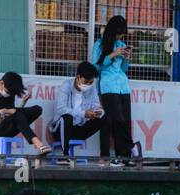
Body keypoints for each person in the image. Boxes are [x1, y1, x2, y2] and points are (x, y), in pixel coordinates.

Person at [0, 72, 50, 155]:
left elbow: (14, 114)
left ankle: (39, 145)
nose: (9, 94)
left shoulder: (10, 93)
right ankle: (39, 144)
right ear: (1, 83)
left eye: (11, 94)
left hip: (9, 124)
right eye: (7, 92)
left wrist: (23, 103)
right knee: (16, 114)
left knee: (37, 109)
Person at [92, 15, 133, 160]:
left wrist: (127, 58)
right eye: (118, 33)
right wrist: (113, 54)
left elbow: (124, 69)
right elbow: (96, 66)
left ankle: (125, 156)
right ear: (112, 31)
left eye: (122, 33)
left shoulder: (121, 43)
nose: (120, 36)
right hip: (108, 87)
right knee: (116, 120)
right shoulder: (99, 44)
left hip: (123, 87)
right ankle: (126, 151)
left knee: (125, 121)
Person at [51, 61, 104, 154]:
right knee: (66, 117)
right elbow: (61, 109)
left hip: (79, 129)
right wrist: (83, 113)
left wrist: (98, 112)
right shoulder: (66, 86)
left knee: (104, 118)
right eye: (86, 82)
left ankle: (107, 155)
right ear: (78, 76)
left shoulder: (92, 88)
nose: (88, 85)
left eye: (90, 82)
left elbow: (96, 105)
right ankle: (64, 155)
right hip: (61, 130)